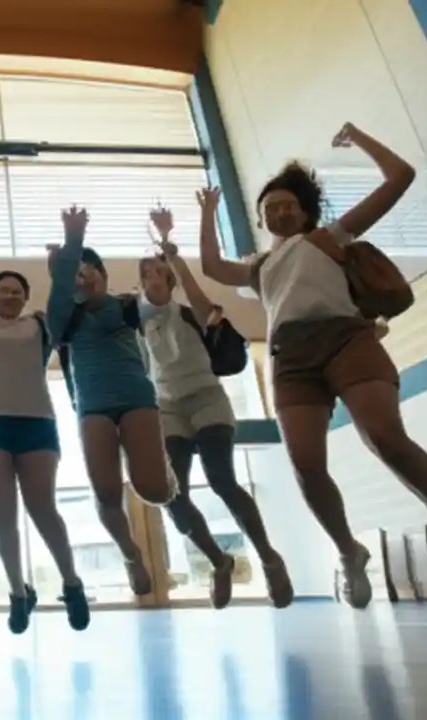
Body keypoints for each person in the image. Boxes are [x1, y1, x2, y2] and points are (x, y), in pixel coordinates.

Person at [197, 122, 427, 608]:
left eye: (289, 204)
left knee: (384, 437)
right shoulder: (259, 267)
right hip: (290, 356)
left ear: (306, 212)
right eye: (270, 208)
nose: (280, 211)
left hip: (346, 337)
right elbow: (210, 266)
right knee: (306, 465)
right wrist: (208, 212)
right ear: (264, 220)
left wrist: (360, 139)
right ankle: (349, 552)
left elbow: (400, 176)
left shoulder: (329, 238)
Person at [139, 204, 293, 608]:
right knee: (171, 493)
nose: (150, 279)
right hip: (168, 406)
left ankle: (269, 558)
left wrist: (169, 248)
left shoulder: (193, 313)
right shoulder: (137, 322)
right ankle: (219, 561)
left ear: (170, 282)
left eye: (158, 274)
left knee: (222, 480)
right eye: (145, 275)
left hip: (206, 398)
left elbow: (191, 289)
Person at [0, 242, 89, 634]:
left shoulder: (40, 324)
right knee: (3, 515)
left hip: (36, 423)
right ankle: (17, 591)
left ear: (26, 297)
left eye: (17, 290)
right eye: (2, 290)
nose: (10, 295)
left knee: (43, 508)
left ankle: (72, 583)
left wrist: (57, 262)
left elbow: (65, 296)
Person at [46, 206, 175, 601]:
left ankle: (169, 475)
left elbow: (158, 295)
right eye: (76, 274)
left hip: (135, 397)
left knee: (153, 491)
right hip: (93, 405)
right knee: (105, 493)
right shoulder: (63, 319)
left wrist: (161, 255)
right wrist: (72, 243)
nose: (83, 277)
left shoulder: (124, 305)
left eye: (90, 271)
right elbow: (61, 287)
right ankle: (131, 554)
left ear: (103, 276)